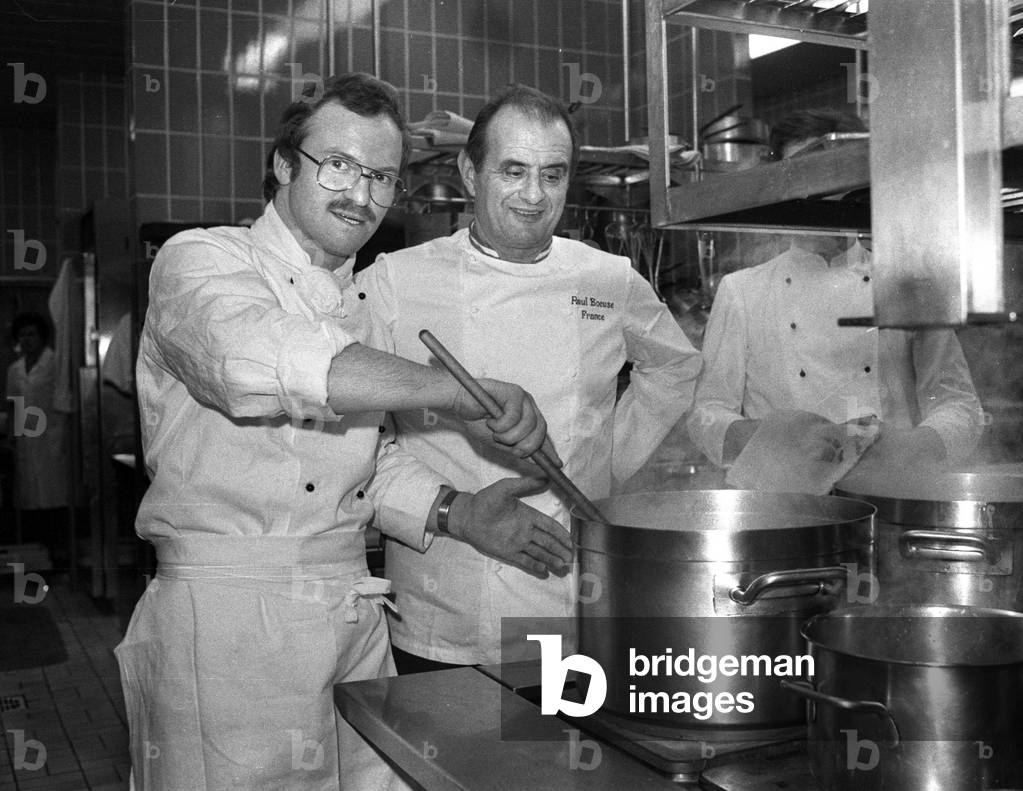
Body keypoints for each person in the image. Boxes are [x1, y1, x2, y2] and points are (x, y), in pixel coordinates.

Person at [115, 73, 573, 791]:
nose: (358, 194)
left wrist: (456, 511)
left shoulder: (353, 306)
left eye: (380, 177)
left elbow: (363, 460)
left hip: (353, 617)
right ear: (283, 163)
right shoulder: (200, 261)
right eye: (337, 165)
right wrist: (458, 391)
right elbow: (250, 360)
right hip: (229, 626)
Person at [351, 85, 702, 672]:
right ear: (470, 171)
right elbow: (355, 442)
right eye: (513, 171)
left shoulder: (608, 279)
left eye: (553, 174)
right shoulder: (394, 281)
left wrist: (609, 460)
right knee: (443, 758)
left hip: (568, 600)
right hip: (444, 601)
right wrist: (445, 508)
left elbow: (676, 366)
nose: (534, 196)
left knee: (562, 758)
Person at [687, 110, 984, 484]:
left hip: (890, 492)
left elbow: (959, 403)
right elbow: (707, 412)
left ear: (860, 185)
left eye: (834, 180)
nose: (821, 198)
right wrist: (772, 440)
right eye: (805, 180)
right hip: (783, 503)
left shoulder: (906, 284)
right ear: (779, 189)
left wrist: (913, 446)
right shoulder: (743, 291)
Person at [4, 311, 71, 561]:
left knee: (54, 496)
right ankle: (36, 555)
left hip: (52, 437)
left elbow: (66, 400)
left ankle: (59, 554)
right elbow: (13, 404)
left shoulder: (55, 363)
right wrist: (11, 436)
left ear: (42, 336)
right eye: (22, 335)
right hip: (26, 439)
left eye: (32, 334)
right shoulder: (14, 369)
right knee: (30, 498)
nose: (27, 339)